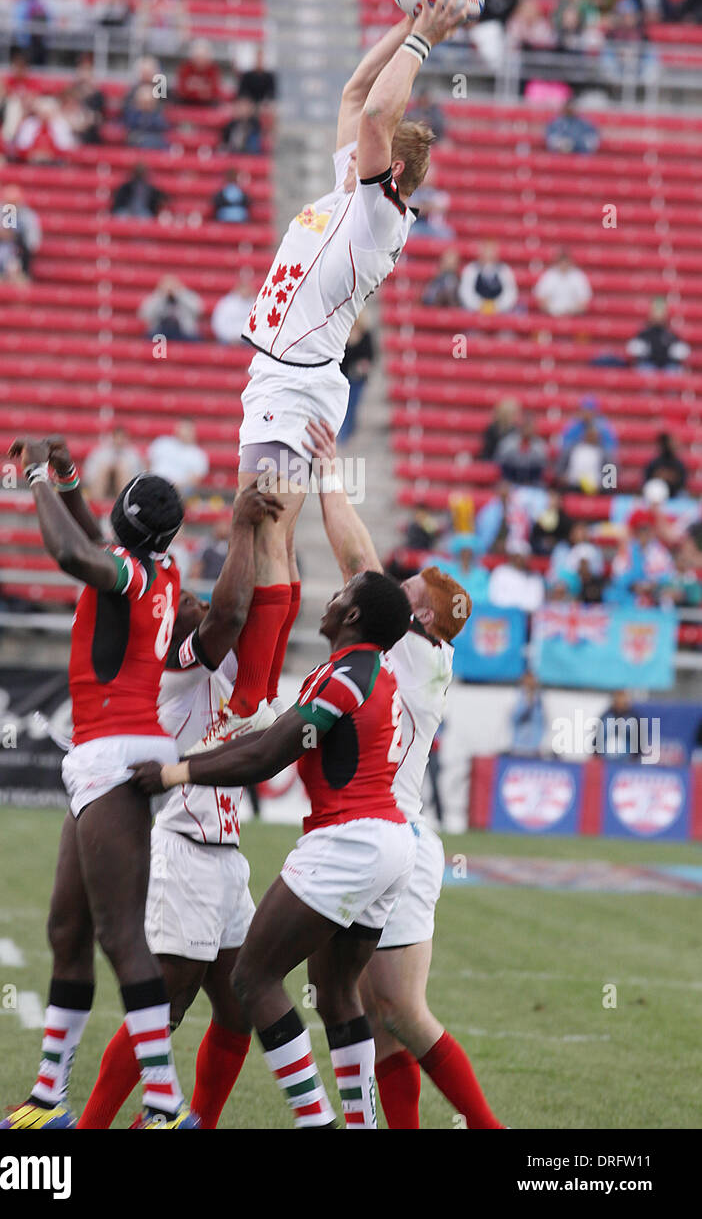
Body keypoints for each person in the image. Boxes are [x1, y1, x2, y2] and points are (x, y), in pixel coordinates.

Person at [204, 0, 470, 747]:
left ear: (393, 175)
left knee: (266, 533)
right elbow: (360, 94)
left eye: (367, 151)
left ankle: (250, 698)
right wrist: (403, 17)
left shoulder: (380, 214)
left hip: (298, 382)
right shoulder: (346, 192)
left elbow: (374, 117)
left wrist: (423, 37)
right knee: (268, 536)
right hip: (277, 374)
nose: (355, 145)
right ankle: (250, 693)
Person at [132, 568, 419, 1130]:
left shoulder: (342, 674)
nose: (329, 600)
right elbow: (275, 738)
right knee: (336, 993)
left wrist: (176, 772)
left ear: (353, 616)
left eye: (340, 595)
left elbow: (269, 757)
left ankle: (317, 1121)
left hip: (348, 839)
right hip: (390, 842)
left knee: (252, 978)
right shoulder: (378, 672)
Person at [299, 417, 503, 1130]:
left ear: (416, 614)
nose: (395, 579)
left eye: (407, 585)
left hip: (398, 838)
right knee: (378, 1014)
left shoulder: (414, 652)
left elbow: (357, 555)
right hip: (389, 834)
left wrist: (328, 470)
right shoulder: (422, 651)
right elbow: (361, 560)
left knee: (401, 1012)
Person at [0, 435, 195, 1129]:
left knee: (119, 934)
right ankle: (49, 1097)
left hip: (116, 752)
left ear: (126, 524)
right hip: (110, 751)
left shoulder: (125, 571)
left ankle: (166, 1106)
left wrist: (39, 479)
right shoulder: (154, 569)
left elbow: (72, 552)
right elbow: (91, 538)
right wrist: (66, 473)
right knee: (68, 926)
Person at [76, 484, 284, 1130]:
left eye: (193, 597)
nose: (189, 600)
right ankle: (91, 1126)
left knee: (237, 1006)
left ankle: (192, 1123)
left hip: (224, 856)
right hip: (184, 849)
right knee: (165, 1000)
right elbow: (226, 614)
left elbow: (250, 611)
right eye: (183, 599)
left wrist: (273, 533)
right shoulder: (178, 665)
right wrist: (242, 526)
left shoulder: (211, 670)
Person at [338, 314, 375, 443]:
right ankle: (342, 433)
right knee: (343, 405)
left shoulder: (365, 335)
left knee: (353, 405)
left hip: (357, 379)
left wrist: (363, 364)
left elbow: (371, 355)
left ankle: (347, 433)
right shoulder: (342, 334)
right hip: (344, 377)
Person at [148, 421, 209, 495]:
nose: (184, 432)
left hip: (177, 491)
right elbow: (148, 463)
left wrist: (170, 486)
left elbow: (194, 480)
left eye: (187, 429)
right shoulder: (162, 442)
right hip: (153, 484)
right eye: (182, 428)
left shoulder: (198, 455)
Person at [626, 299, 690, 371]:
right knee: (644, 369)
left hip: (668, 366)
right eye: (656, 312)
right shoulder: (643, 333)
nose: (658, 315)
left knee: (673, 370)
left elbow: (683, 351)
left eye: (661, 312)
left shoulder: (672, 334)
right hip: (648, 364)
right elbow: (632, 349)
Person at [83, 427, 144, 500]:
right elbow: (89, 475)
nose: (119, 440)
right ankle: (99, 502)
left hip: (125, 485)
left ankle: (122, 500)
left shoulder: (133, 455)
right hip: (101, 486)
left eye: (122, 437)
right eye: (117, 437)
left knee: (122, 470)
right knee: (103, 469)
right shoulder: (100, 452)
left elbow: (138, 476)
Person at [458, 241, 519, 314]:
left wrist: (496, 306)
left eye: (491, 251)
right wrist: (480, 305)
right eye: (486, 251)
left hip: (500, 312)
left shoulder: (504, 270)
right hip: (475, 311)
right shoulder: (471, 269)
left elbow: (510, 292)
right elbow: (466, 291)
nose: (489, 254)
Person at [139, 274, 202, 342]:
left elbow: (198, 311)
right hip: (161, 331)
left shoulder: (187, 296)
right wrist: (161, 296)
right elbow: (145, 315)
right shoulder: (156, 297)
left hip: (183, 331)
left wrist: (179, 294)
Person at [488, 540, 545, 613]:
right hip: (503, 615)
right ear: (512, 557)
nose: (520, 560)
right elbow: (495, 598)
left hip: (526, 616)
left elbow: (536, 603)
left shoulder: (535, 577)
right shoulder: (500, 573)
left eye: (524, 557)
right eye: (518, 556)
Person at [533, 249, 592, 317]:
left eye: (566, 261)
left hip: (574, 316)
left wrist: (571, 311)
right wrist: (553, 310)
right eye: (561, 261)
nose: (564, 263)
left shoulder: (578, 276)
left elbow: (584, 301)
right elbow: (541, 298)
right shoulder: (549, 275)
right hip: (551, 315)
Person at [496, 413, 546, 486]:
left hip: (533, 481)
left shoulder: (539, 444)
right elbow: (501, 460)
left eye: (530, 427)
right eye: (526, 427)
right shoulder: (509, 441)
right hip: (510, 479)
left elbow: (542, 464)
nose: (528, 430)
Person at [211, 271, 256, 344]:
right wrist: (231, 337)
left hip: (248, 342)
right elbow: (218, 323)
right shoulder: (227, 303)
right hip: (228, 340)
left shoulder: (255, 304)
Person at [509, 672, 546, 758]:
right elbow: (515, 719)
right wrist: (527, 704)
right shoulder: (517, 697)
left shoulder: (541, 699)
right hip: (518, 748)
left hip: (534, 749)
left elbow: (542, 722)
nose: (530, 684)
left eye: (532, 682)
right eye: (527, 682)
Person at [176, 40, 222, 106]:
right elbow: (181, 91)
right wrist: (202, 92)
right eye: (198, 58)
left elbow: (215, 92)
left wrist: (193, 90)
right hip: (186, 103)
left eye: (203, 58)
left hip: (208, 104)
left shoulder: (213, 69)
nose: (200, 61)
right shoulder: (185, 68)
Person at [644, 432, 687, 499]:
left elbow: (683, 482)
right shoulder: (654, 463)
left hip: (675, 497)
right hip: (656, 498)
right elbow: (647, 480)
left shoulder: (679, 464)